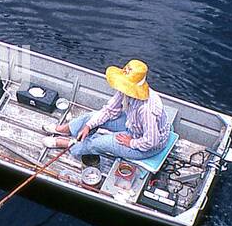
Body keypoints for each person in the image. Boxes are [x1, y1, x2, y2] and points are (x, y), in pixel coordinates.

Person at [42, 60, 171, 162]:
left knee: (101, 143)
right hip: (133, 125)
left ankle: (70, 144)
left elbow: (151, 141)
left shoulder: (146, 109)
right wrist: (89, 125)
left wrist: (131, 142)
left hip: (147, 145)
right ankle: (66, 129)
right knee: (92, 117)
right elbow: (109, 111)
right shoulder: (126, 91)